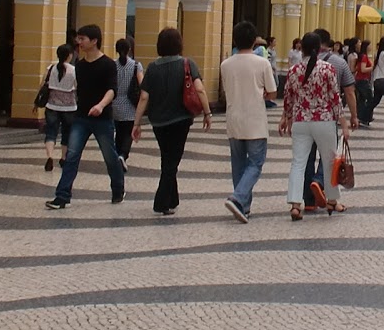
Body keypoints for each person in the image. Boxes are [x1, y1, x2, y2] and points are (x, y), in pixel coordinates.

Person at [131, 26, 211, 216]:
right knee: (171, 161)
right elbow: (199, 89)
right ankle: (161, 202)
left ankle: (172, 199)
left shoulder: (152, 67)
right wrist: (207, 112)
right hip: (181, 119)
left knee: (167, 158)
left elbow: (144, 97)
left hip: (158, 121)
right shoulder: (187, 63)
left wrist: (136, 123)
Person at [45, 24, 124, 209]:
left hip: (102, 118)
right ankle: (62, 196)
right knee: (71, 155)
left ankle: (118, 189)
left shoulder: (108, 64)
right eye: (78, 39)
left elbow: (112, 90)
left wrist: (101, 105)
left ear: (94, 41)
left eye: (82, 39)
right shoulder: (79, 66)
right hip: (81, 117)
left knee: (109, 156)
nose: (78, 42)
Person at [280, 32, 350, 220]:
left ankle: (295, 204)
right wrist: (344, 124)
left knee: (298, 163)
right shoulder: (327, 69)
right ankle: (333, 200)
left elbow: (288, 98)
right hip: (324, 120)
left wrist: (285, 118)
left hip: (300, 121)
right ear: (319, 48)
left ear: (301, 48)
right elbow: (335, 98)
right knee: (329, 161)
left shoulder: (294, 70)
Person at [213, 20, 277, 222]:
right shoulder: (262, 63)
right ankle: (238, 197)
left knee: (238, 164)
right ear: (254, 41)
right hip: (255, 119)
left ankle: (243, 206)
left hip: (234, 118)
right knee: (256, 163)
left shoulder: (226, 64)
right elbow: (273, 92)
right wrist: (262, 94)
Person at [41, 44, 77, 172]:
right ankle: (63, 158)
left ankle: (50, 156)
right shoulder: (73, 70)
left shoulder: (50, 68)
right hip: (69, 108)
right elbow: (77, 87)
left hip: (52, 106)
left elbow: (43, 84)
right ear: (69, 55)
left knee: (51, 132)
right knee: (66, 133)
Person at [111, 38, 143, 162]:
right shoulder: (136, 65)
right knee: (128, 132)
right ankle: (123, 155)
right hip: (130, 105)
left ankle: (117, 154)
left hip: (115, 103)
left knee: (118, 131)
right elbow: (142, 84)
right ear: (129, 49)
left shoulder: (113, 65)